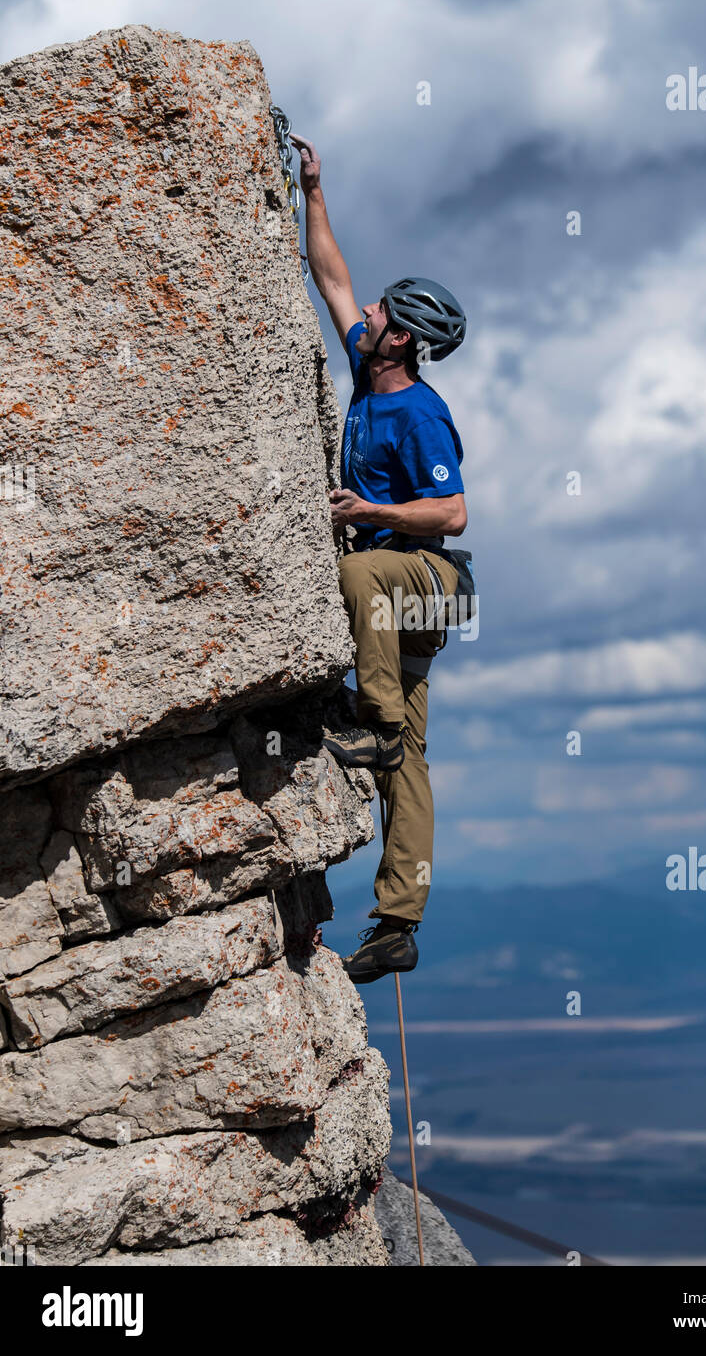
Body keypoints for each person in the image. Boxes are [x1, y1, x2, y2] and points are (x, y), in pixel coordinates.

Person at [291, 132, 469, 985]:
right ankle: (399, 920)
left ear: (405, 342)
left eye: (386, 315)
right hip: (402, 597)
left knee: (357, 571)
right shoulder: (369, 371)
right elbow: (331, 276)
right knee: (415, 767)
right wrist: (312, 191)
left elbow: (455, 511)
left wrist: (370, 510)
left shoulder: (420, 415)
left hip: (428, 582)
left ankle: (379, 729)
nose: (369, 315)